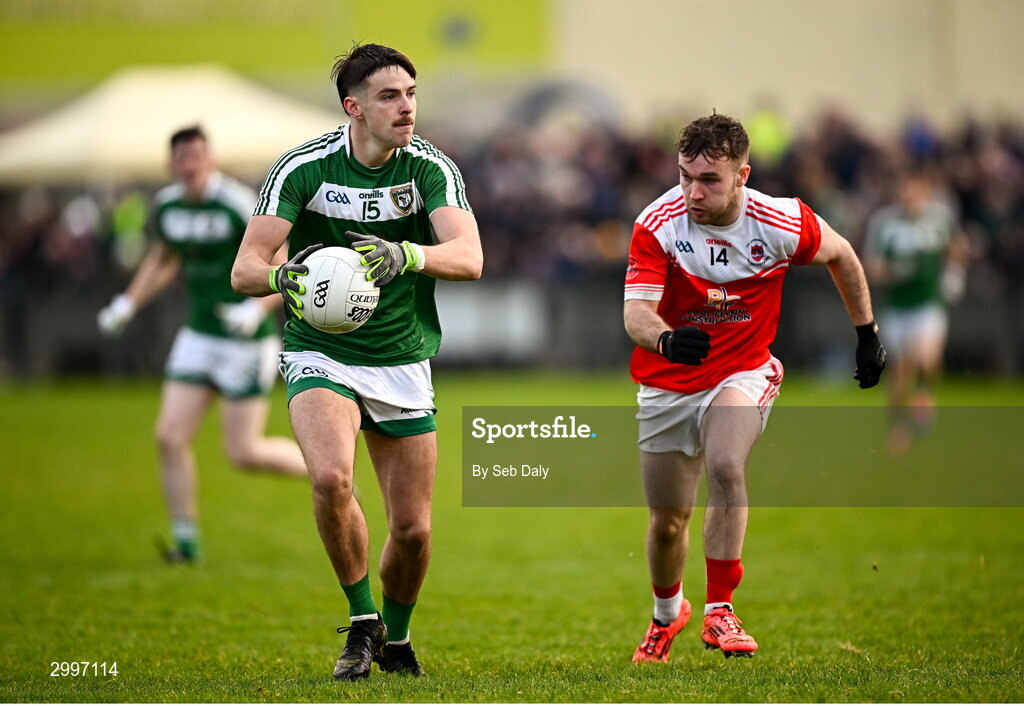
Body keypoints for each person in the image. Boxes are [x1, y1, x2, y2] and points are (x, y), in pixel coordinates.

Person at [230, 43, 482, 680]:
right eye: (389, 96)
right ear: (354, 107)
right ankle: (362, 619)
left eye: (411, 94)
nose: (406, 108)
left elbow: (470, 257)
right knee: (330, 480)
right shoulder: (302, 169)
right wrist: (285, 278)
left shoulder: (431, 170)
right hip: (322, 349)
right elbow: (245, 268)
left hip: (401, 357)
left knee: (415, 531)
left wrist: (409, 255)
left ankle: (395, 638)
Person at [623, 113, 885, 663]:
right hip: (669, 382)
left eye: (709, 180)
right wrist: (668, 342)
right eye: (685, 176)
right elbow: (637, 315)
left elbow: (843, 255)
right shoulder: (658, 222)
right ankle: (667, 614)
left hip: (742, 370)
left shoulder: (780, 221)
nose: (693, 192)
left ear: (743, 175)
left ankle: (720, 610)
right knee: (668, 522)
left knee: (725, 465)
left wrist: (867, 334)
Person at [97, 126, 307, 563]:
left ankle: (327, 474)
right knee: (169, 436)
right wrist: (127, 303)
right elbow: (163, 258)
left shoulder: (235, 203)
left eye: (197, 156)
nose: (190, 165)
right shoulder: (168, 206)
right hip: (198, 333)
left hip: (246, 341)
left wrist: (256, 309)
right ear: (171, 164)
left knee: (244, 452)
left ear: (210, 159)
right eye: (182, 158)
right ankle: (186, 542)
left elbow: (282, 259)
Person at [863, 168, 967, 454]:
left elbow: (957, 247)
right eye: (904, 191)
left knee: (927, 356)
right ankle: (898, 426)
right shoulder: (885, 223)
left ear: (925, 192)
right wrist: (892, 272)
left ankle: (924, 396)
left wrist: (954, 274)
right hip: (897, 307)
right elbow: (871, 265)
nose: (908, 197)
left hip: (927, 302)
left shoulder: (938, 219)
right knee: (900, 370)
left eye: (915, 191)